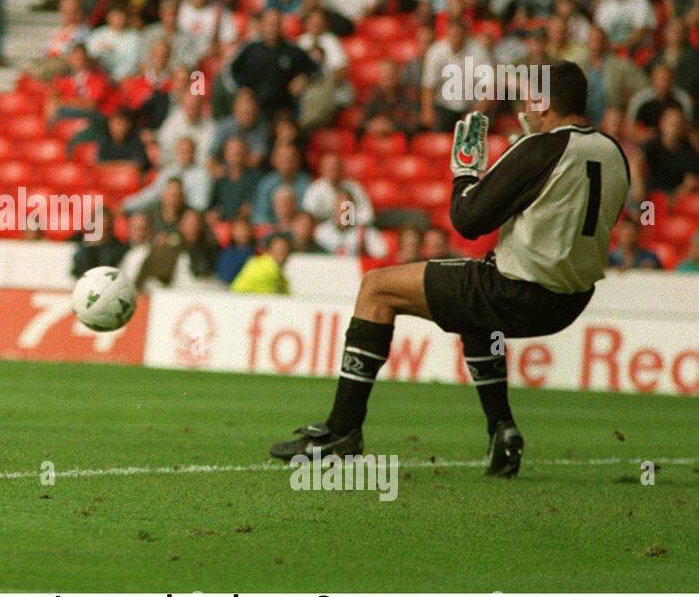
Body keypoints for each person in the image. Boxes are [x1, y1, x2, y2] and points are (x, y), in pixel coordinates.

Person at [270, 63, 630, 478]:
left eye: (533, 95)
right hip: (569, 301)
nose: (526, 105)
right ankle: (502, 430)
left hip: (515, 290)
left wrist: (465, 172)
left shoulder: (539, 147)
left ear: (546, 101)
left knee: (376, 287)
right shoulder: (614, 152)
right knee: (473, 314)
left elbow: (467, 219)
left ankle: (341, 431)